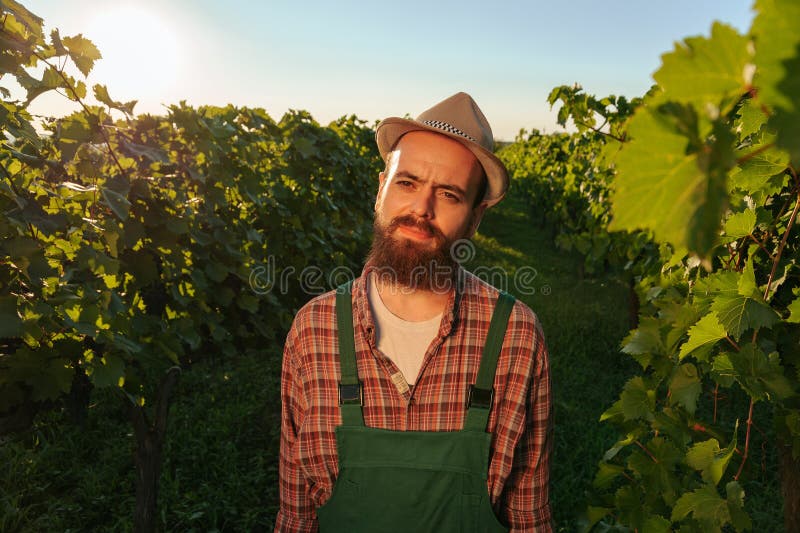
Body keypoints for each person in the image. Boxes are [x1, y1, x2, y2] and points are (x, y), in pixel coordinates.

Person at [275, 92, 553, 532]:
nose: (420, 211)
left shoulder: (516, 336)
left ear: (475, 218)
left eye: (448, 194)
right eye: (407, 183)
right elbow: (296, 512)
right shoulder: (313, 329)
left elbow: (529, 518)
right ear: (380, 187)